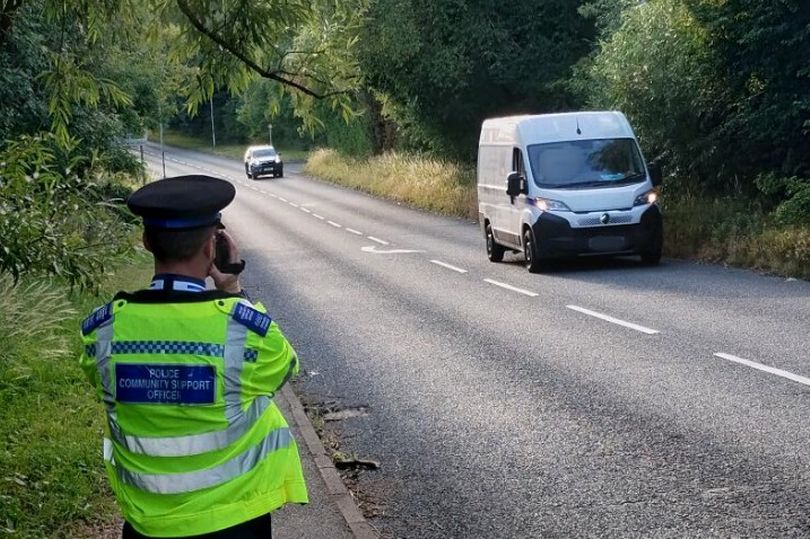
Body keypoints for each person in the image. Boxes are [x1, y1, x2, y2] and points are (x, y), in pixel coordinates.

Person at [79, 175, 308, 538]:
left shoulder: (102, 332)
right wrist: (232, 287)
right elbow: (285, 367)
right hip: (234, 522)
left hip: (146, 526)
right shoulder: (243, 330)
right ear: (212, 248)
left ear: (146, 242)